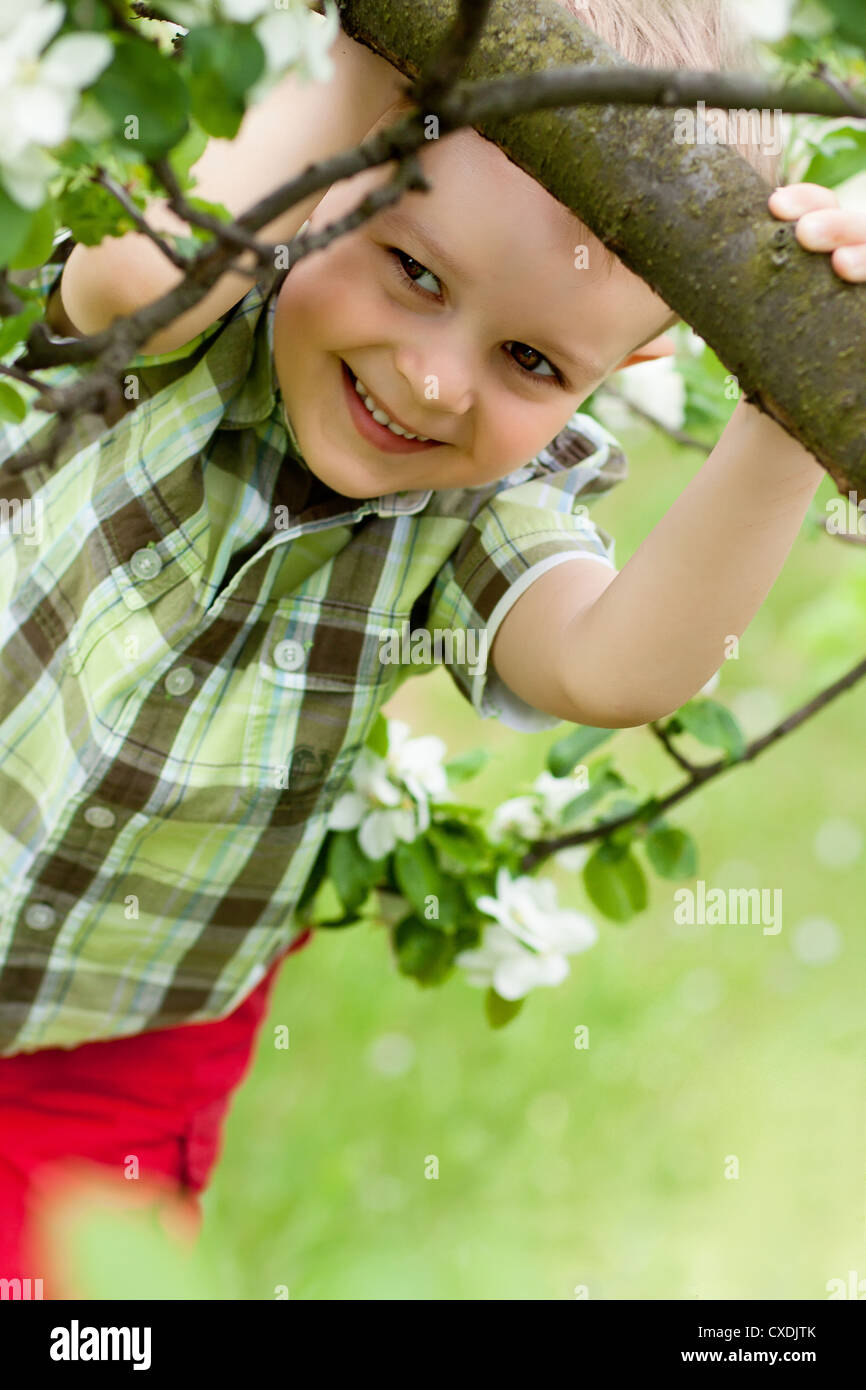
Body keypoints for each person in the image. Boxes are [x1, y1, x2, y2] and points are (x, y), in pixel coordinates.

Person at [0, 1, 860, 1297]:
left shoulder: (471, 509)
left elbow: (610, 668)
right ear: (342, 157)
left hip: (121, 1040)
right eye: (412, 270)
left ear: (628, 360)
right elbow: (138, 273)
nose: (437, 382)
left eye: (527, 357)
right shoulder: (184, 322)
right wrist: (364, 51)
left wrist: (795, 399)